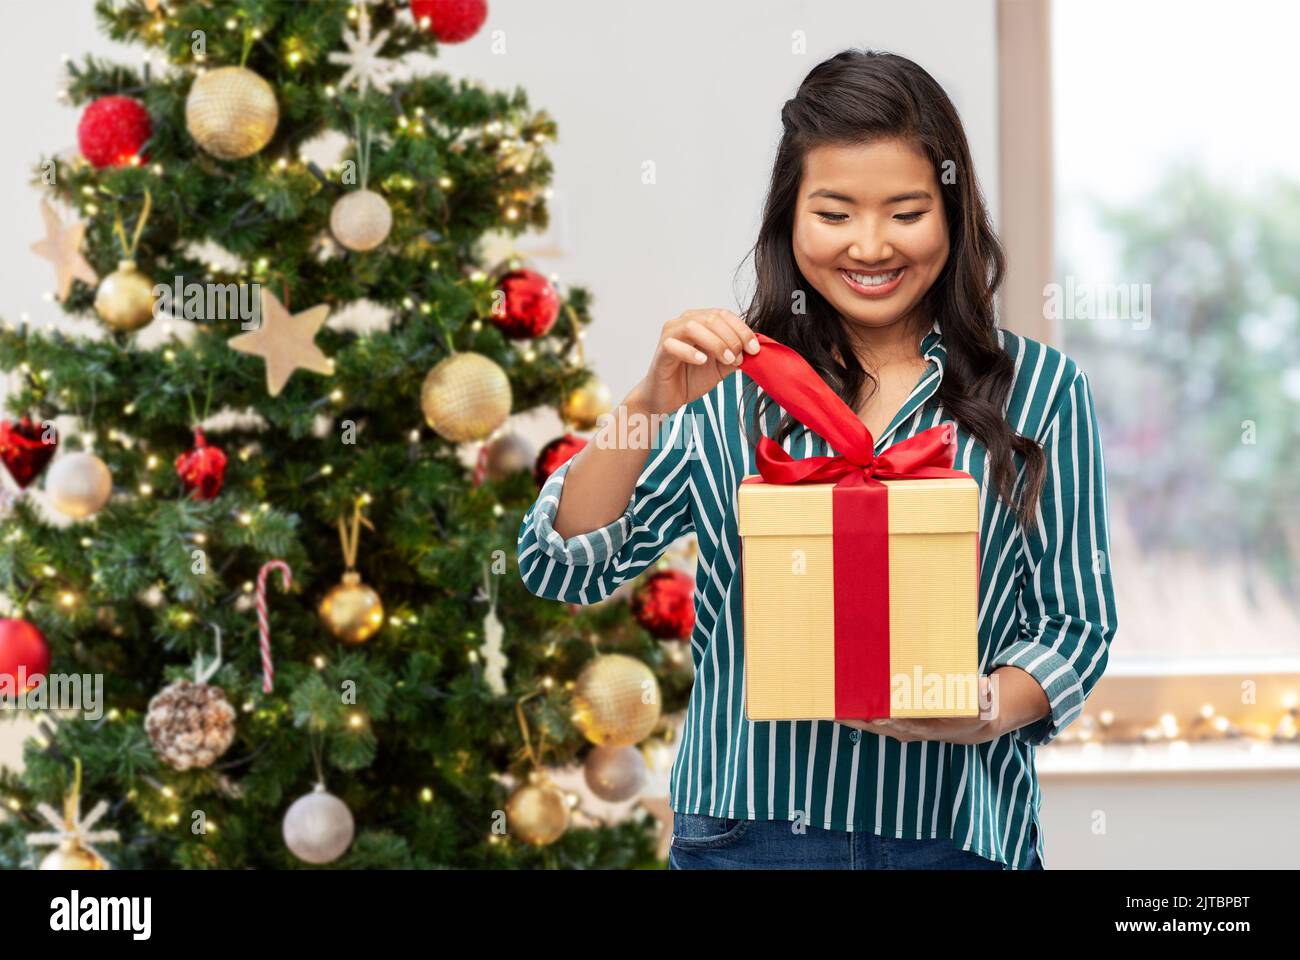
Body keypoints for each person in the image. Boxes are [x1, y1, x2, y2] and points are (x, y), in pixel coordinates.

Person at [517, 49, 1117, 870]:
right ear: (789, 219)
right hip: (748, 835)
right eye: (834, 214)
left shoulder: (1042, 391)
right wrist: (652, 403)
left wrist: (984, 708)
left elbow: (1074, 625)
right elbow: (562, 568)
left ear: (953, 214)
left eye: (906, 212)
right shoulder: (723, 387)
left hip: (959, 834)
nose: (870, 246)